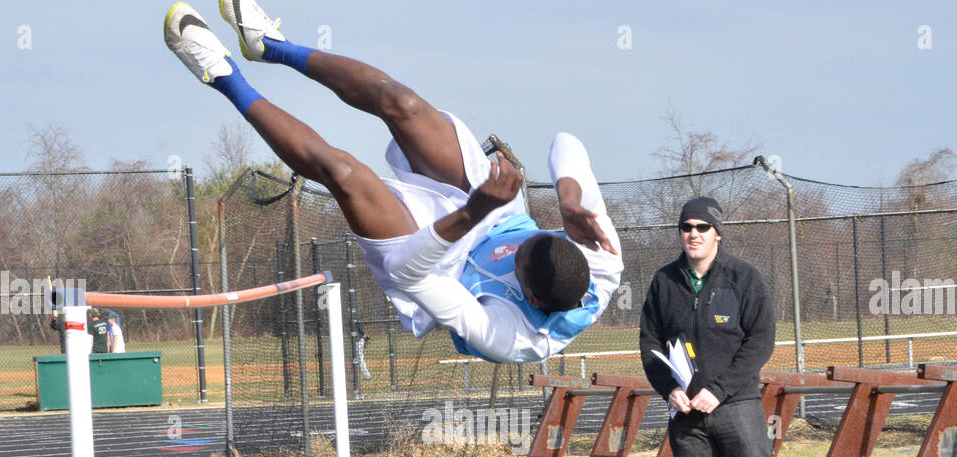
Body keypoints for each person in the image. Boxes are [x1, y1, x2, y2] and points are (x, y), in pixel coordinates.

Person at [163, 1, 622, 364]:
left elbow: (407, 269)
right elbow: (567, 144)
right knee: (400, 102)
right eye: (542, 239)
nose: (518, 250)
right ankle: (268, 44)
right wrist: (567, 198)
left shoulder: (511, 335)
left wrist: (471, 212)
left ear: (530, 295)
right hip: (499, 215)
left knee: (342, 173)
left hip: (439, 268)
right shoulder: (600, 261)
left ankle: (223, 75)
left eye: (518, 260)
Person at [639, 197, 788, 457]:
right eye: (687, 227)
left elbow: (760, 341)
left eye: (702, 227)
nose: (694, 233)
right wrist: (670, 389)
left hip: (736, 408)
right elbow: (650, 343)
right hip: (686, 416)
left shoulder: (745, 278)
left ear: (717, 233)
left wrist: (718, 390)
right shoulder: (663, 282)